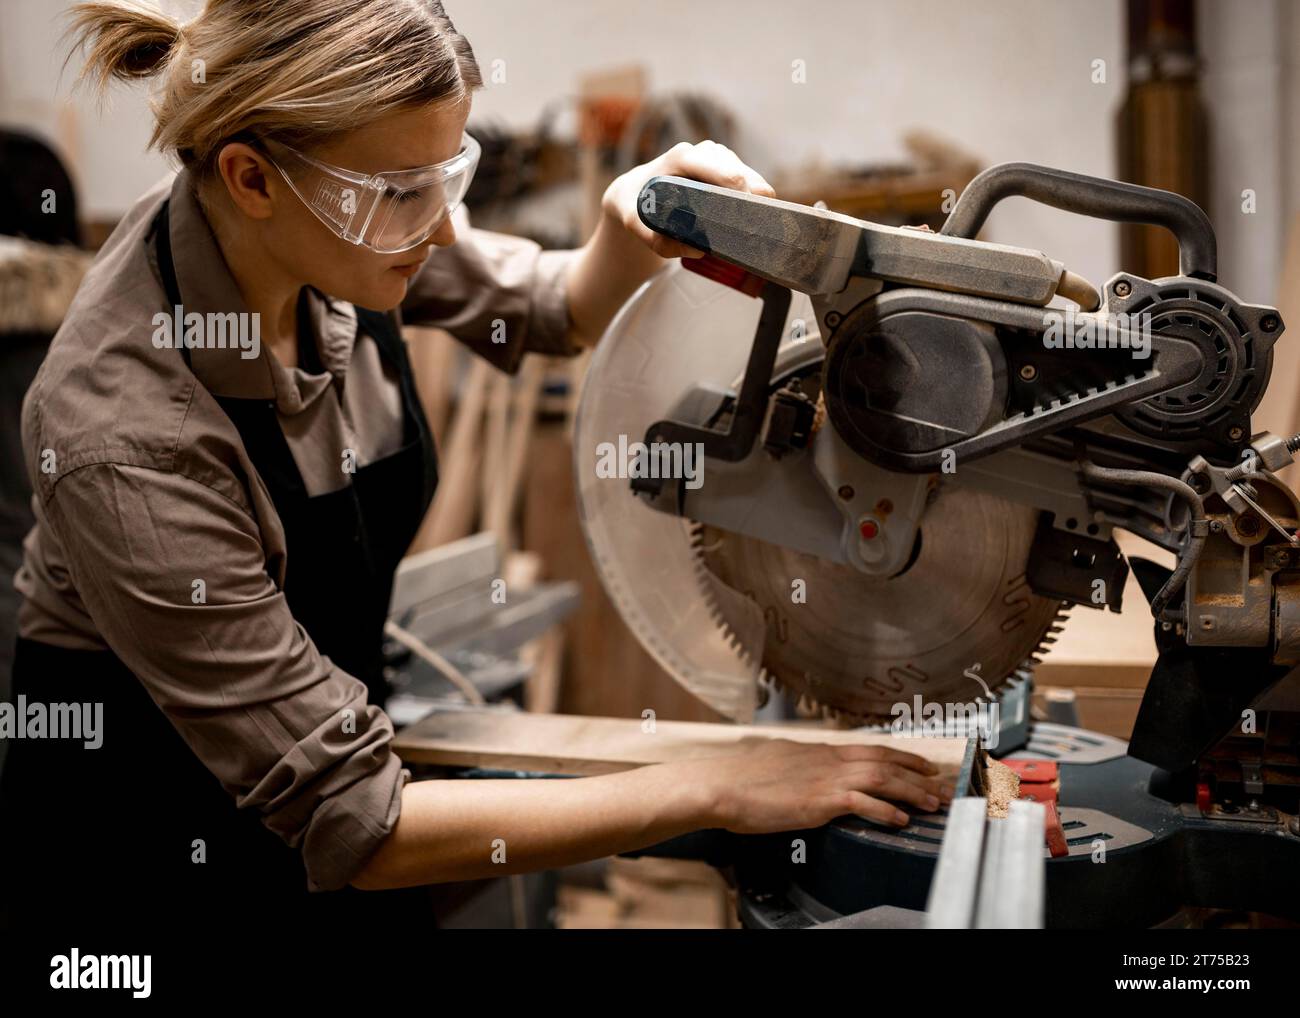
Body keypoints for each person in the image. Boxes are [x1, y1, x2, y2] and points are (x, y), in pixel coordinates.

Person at [0, 0, 948, 935]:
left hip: (329, 778)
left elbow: (549, 306)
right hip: (146, 844)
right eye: (404, 192)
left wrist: (626, 226)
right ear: (251, 178)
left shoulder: (327, 231)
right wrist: (715, 786)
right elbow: (359, 824)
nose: (445, 230)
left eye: (448, 175)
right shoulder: (122, 434)